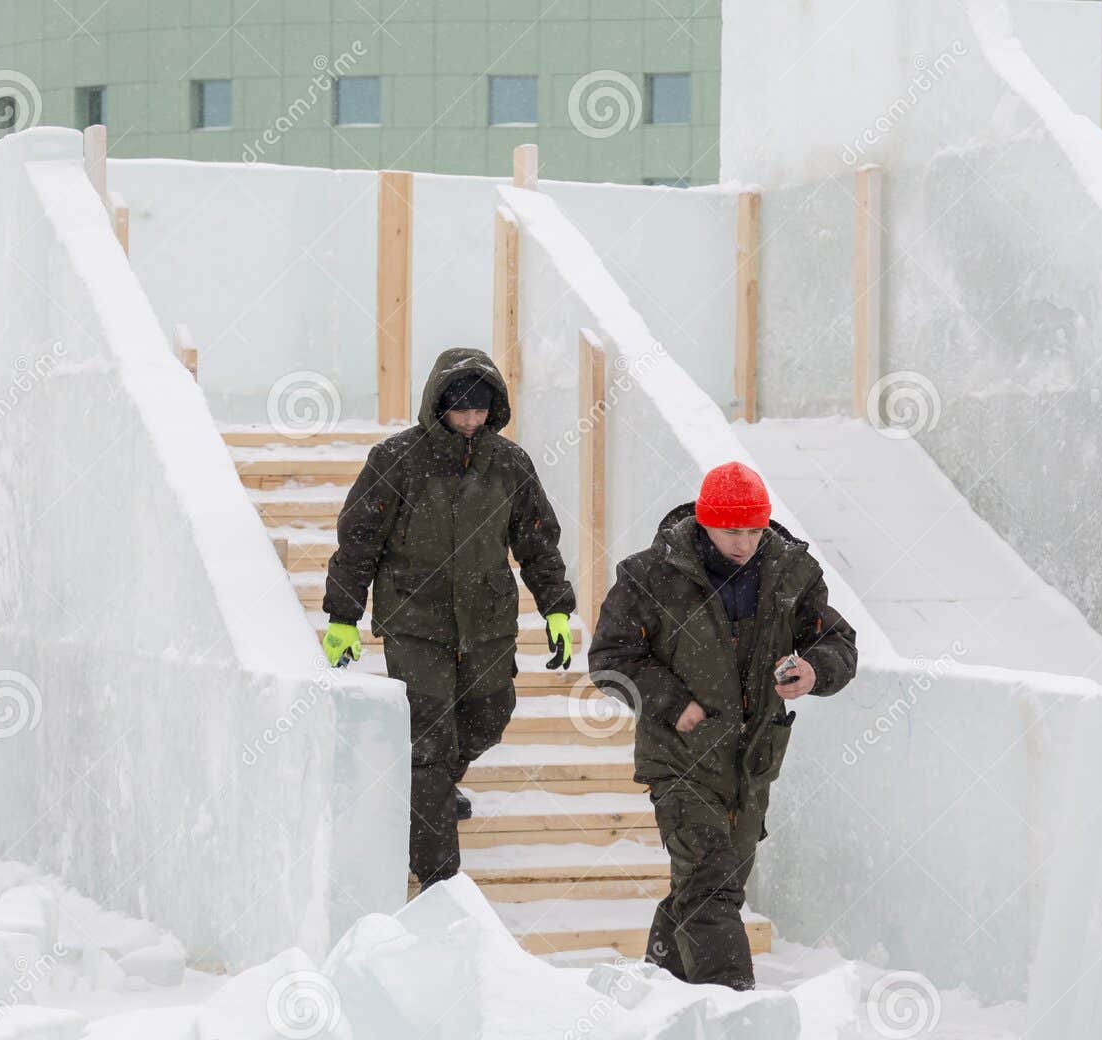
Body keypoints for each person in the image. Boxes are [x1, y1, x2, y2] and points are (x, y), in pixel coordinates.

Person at [588, 462, 857, 989]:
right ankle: (736, 1012)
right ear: (704, 522)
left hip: (752, 761)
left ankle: (658, 992)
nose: (746, 543)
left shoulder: (791, 573)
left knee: (709, 885)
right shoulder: (650, 575)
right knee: (710, 884)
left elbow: (838, 643)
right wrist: (670, 701)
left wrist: (814, 669)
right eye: (733, 530)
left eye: (755, 530)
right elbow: (610, 659)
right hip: (680, 759)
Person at [320, 347, 576, 891]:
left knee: (491, 715)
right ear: (438, 405)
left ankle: (428, 791)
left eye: (480, 410)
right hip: (416, 620)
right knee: (428, 741)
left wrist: (557, 608)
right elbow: (358, 541)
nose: (470, 420)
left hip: (486, 621)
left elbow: (537, 543)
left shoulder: (509, 464)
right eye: (459, 409)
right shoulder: (396, 460)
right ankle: (440, 880)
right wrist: (343, 615)